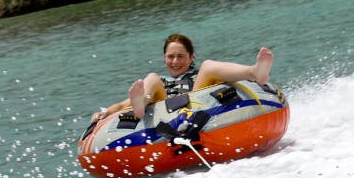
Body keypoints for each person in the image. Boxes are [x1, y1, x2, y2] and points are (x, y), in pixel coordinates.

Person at [92, 33, 274, 122]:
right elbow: (122, 105)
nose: (175, 61)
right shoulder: (159, 82)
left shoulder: (200, 75)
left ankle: (254, 71)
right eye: (170, 57)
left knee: (208, 66)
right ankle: (141, 105)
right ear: (164, 58)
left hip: (196, 105)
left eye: (180, 56)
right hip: (166, 113)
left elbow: (229, 84)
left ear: (191, 56)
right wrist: (106, 112)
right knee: (152, 78)